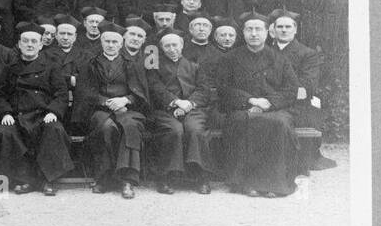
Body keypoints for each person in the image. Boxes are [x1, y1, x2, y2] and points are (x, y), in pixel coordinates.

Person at [215, 11, 299, 197]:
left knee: (279, 123)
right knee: (240, 122)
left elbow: (291, 89)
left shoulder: (280, 59)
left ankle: (274, 183)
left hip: (274, 108)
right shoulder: (229, 58)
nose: (254, 34)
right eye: (249, 29)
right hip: (242, 107)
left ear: (268, 32)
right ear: (243, 33)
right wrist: (250, 100)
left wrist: (269, 103)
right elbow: (223, 88)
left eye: (258, 29)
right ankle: (245, 183)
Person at [0, 23, 76, 195]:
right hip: (16, 115)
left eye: (34, 41)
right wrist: (5, 113)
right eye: (26, 41)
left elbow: (61, 94)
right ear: (20, 44)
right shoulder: (10, 68)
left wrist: (53, 111)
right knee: (5, 133)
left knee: (54, 130)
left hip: (43, 115)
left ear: (41, 45)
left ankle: (48, 180)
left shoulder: (51, 66)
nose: (30, 45)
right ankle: (24, 178)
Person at [81, 21, 149, 199]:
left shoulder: (131, 64)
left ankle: (127, 180)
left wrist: (125, 99)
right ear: (101, 42)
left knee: (130, 127)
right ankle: (104, 177)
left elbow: (141, 93)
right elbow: (86, 92)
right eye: (107, 41)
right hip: (100, 110)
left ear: (121, 44)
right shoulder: (91, 64)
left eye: (114, 42)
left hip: (128, 109)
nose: (111, 45)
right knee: (106, 127)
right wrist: (106, 102)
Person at [146, 29, 214, 194]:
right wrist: (176, 103)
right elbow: (156, 88)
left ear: (182, 45)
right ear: (162, 48)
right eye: (167, 46)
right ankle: (166, 177)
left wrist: (188, 104)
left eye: (174, 45)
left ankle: (200, 177)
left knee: (195, 129)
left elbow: (203, 90)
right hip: (165, 110)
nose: (171, 48)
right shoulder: (154, 66)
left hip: (193, 109)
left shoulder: (194, 65)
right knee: (174, 130)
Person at [270, 8, 336, 170]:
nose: (284, 30)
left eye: (288, 27)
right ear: (273, 30)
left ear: (295, 30)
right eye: (280, 27)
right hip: (271, 101)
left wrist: (278, 94)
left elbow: (308, 85)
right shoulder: (266, 51)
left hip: (296, 104)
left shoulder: (307, 54)